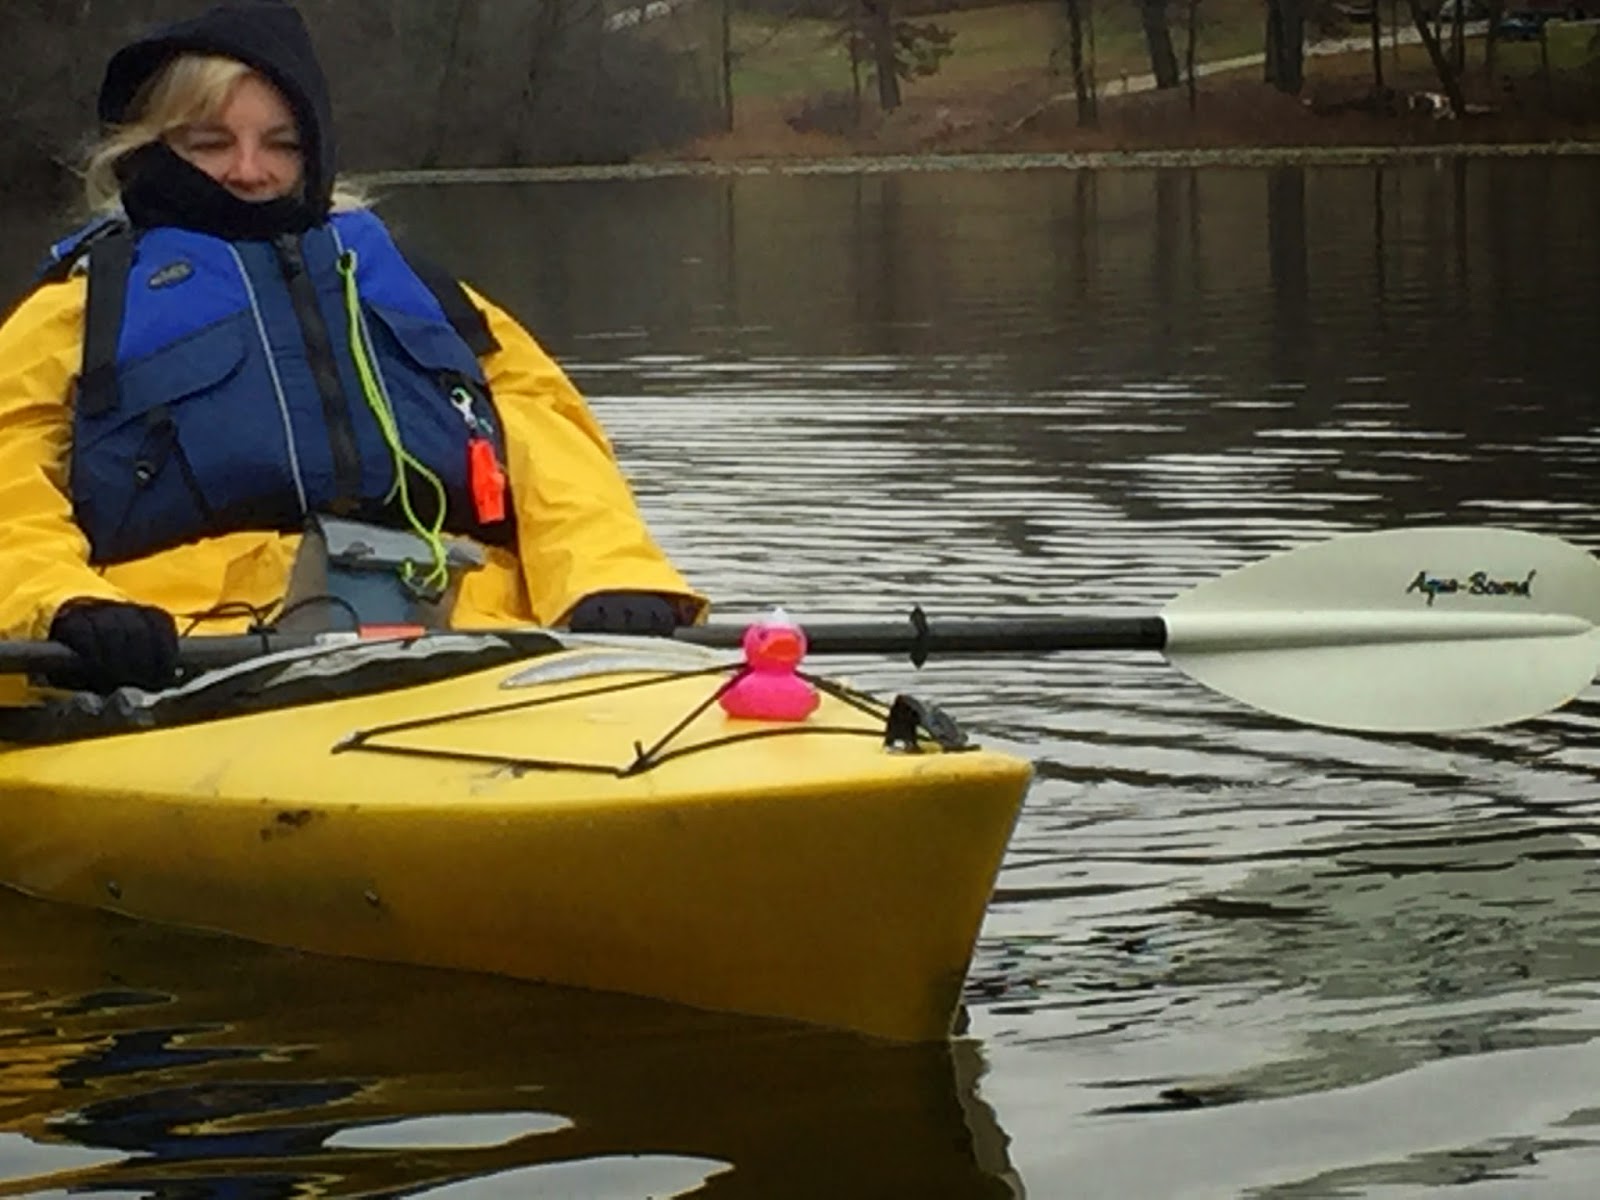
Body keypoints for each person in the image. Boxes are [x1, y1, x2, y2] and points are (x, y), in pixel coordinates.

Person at [0, 0, 705, 695]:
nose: (251, 171)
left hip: (468, 637)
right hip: (184, 656)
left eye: (283, 144)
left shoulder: (434, 299)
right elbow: (10, 487)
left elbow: (558, 452)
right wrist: (63, 605)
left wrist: (611, 577)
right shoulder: (78, 312)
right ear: (151, 149)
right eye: (210, 144)